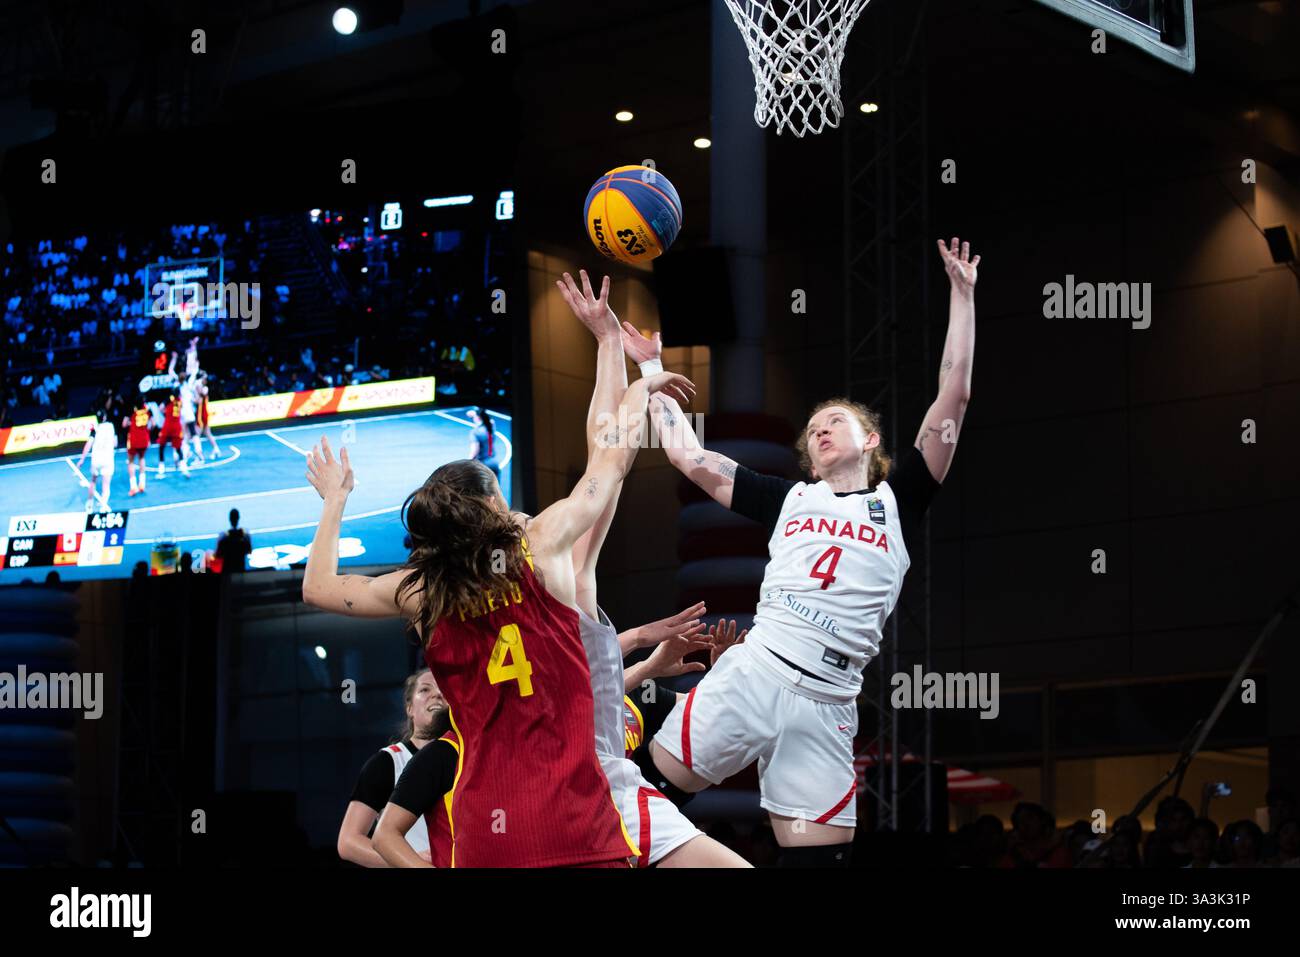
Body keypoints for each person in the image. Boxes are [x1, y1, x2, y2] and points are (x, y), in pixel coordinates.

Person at [628, 237, 979, 866]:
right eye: (812, 425)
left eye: (835, 420)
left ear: (870, 439)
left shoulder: (900, 501)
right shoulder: (785, 497)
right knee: (640, 794)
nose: (819, 427)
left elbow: (952, 396)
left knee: (817, 858)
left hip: (830, 698)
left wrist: (963, 295)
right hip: (758, 670)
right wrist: (652, 370)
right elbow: (686, 455)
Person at [301, 370, 694, 867]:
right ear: (492, 504)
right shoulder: (541, 545)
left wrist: (335, 499)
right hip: (574, 821)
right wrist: (640, 389)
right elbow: (611, 462)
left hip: (486, 832)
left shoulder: (421, 591)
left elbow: (317, 587)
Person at [338, 669, 447, 867]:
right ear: (409, 709)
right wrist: (405, 858)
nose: (437, 694)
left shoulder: (466, 758)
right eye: (424, 689)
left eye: (444, 690)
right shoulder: (388, 762)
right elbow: (348, 841)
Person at [75, 409, 116, 512]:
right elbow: (115, 444)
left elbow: (88, 444)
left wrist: (82, 459)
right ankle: (103, 506)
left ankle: (89, 504)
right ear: (105, 417)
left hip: (96, 460)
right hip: (108, 459)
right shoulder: (111, 427)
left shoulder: (95, 429)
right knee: (106, 485)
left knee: (93, 482)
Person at [156, 388, 190, 479]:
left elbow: (160, 408)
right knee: (178, 449)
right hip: (176, 426)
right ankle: (184, 468)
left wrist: (165, 413)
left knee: (161, 446)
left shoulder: (169, 399)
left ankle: (161, 468)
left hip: (167, 426)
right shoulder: (180, 401)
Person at [123, 400, 152, 497]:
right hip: (144, 438)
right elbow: (153, 424)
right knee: (142, 459)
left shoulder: (131, 410)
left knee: (131, 462)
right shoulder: (147, 410)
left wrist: (131, 424)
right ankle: (142, 484)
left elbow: (124, 424)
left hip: (134, 439)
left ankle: (133, 487)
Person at [467, 407, 501, 481]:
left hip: (483, 465)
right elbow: (490, 420)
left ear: (477, 418)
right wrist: (477, 414)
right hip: (494, 462)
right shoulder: (491, 426)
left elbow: (475, 450)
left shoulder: (475, 432)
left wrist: (468, 462)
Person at [216, 509, 252, 573]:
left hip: (227, 571)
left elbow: (218, 554)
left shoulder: (223, 536)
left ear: (229, 518)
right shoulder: (245, 536)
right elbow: (249, 550)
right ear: (238, 518)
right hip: (240, 569)